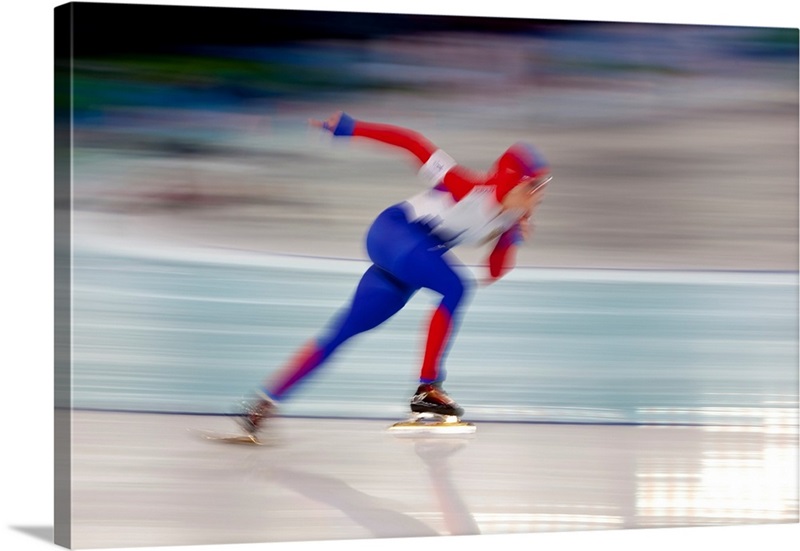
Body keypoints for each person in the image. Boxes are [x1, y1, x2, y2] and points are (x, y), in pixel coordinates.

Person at [239, 111, 551, 434]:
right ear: (513, 180)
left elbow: (493, 271)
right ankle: (428, 388)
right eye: (535, 184)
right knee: (456, 287)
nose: (541, 192)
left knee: (340, 333)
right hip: (394, 232)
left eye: (545, 183)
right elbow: (411, 143)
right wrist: (350, 128)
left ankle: (261, 404)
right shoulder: (467, 186)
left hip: (407, 265)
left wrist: (512, 238)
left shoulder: (510, 220)